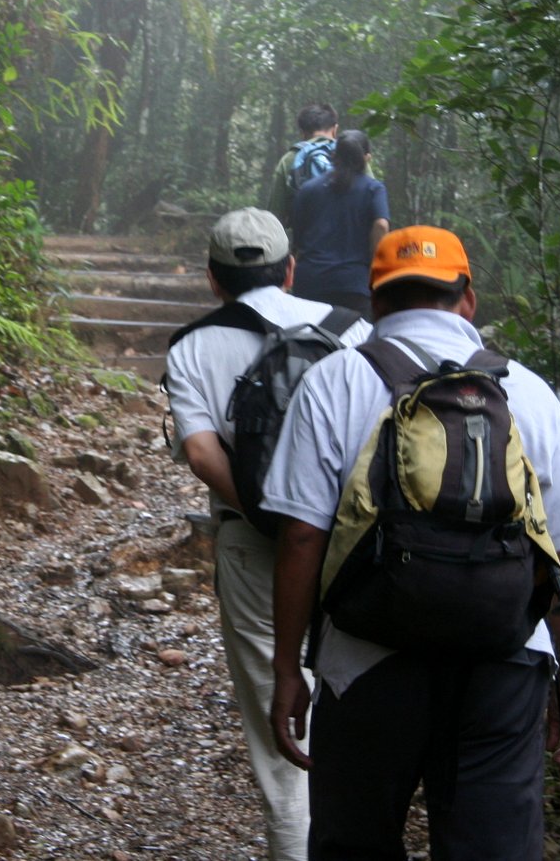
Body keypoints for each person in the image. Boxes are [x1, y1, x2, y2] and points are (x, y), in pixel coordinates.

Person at [263, 225, 560, 861]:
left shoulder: (335, 382)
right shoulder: (528, 391)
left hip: (367, 661)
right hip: (506, 661)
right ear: (467, 298)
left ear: (377, 301)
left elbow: (302, 538)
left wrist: (288, 669)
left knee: (354, 844)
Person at [162, 207, 372, 861]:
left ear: (212, 279)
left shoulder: (191, 345)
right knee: (362, 715)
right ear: (290, 269)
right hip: (355, 547)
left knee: (281, 742)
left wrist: (269, 513)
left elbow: (200, 452)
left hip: (254, 549)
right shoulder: (353, 330)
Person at [289, 129, 390, 317]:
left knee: (309, 342)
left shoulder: (308, 189)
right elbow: (381, 226)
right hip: (354, 284)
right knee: (354, 343)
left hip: (311, 282)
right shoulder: (373, 189)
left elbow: (298, 240)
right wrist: (375, 266)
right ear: (367, 158)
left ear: (334, 155)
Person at [265, 103, 339, 225]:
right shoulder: (353, 156)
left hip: (306, 241)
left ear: (303, 133)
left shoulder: (289, 159)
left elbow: (275, 215)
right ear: (335, 129)